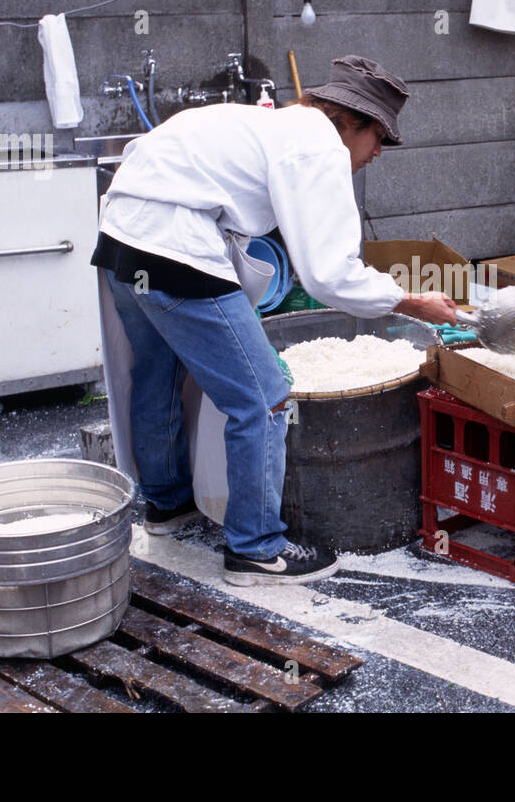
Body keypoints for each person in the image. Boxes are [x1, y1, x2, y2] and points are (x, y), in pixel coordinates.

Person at [92, 55, 457, 585]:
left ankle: (167, 504)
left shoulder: (263, 123)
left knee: (159, 374)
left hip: (121, 241)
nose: (377, 153)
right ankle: (257, 548)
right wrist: (409, 302)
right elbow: (327, 275)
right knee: (265, 397)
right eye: (378, 136)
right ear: (346, 120)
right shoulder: (318, 144)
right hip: (173, 251)